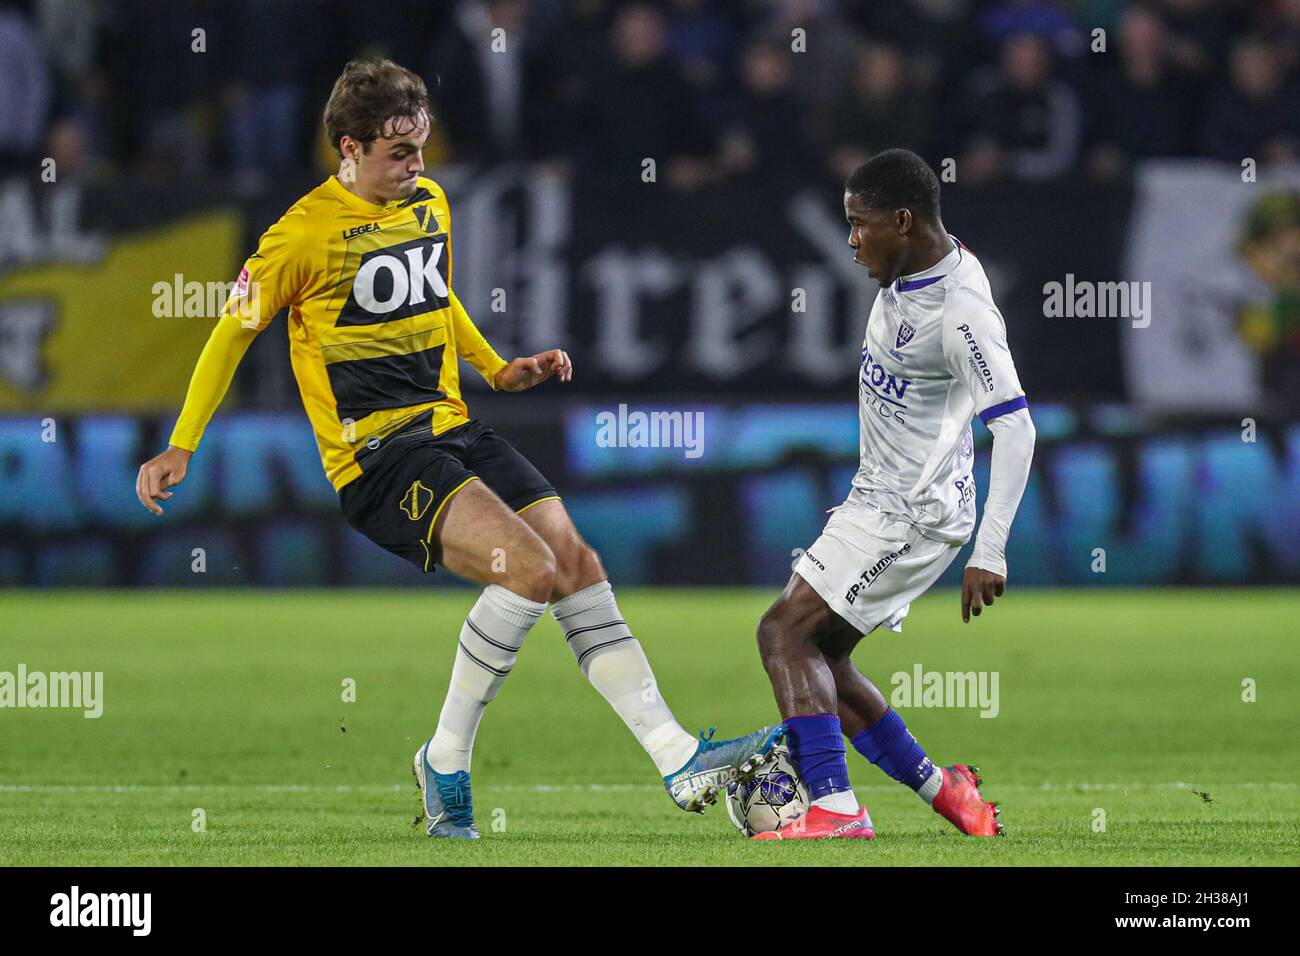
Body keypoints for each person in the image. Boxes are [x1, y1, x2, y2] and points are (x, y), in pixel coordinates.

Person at [135, 58, 781, 840]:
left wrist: (497, 368)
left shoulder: (431, 202)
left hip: (452, 427)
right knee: (530, 571)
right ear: (348, 148)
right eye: (399, 152)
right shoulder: (300, 235)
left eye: (422, 147)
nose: (417, 165)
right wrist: (182, 445)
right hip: (378, 457)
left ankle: (677, 758)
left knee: (576, 563)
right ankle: (446, 758)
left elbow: (438, 299)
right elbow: (231, 332)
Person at [754, 149, 1035, 840]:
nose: (851, 241)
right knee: (823, 652)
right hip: (878, 499)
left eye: (859, 224)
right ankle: (951, 795)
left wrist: (990, 551)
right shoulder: (912, 270)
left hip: (913, 513)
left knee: (783, 633)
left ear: (902, 222)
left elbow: (1018, 428)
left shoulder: (962, 310)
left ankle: (836, 809)